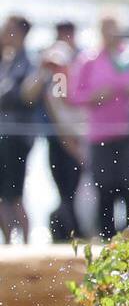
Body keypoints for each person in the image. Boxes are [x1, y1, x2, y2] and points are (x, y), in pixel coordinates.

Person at [69, 12, 129, 239]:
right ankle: (107, 240)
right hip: (99, 135)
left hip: (128, 132)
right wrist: (96, 96)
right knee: (105, 190)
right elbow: (74, 95)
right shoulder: (88, 60)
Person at [21, 38, 87, 240]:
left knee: (76, 193)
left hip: (75, 142)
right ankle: (70, 234)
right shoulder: (55, 81)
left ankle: (77, 233)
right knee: (66, 192)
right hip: (60, 142)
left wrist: (72, 142)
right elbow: (35, 98)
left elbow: (66, 110)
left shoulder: (69, 79)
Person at [0, 15, 35, 241]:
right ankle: (9, 245)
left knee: (14, 196)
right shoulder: (8, 61)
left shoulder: (28, 64)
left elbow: (24, 97)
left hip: (16, 139)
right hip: (5, 137)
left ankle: (24, 244)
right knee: (4, 196)